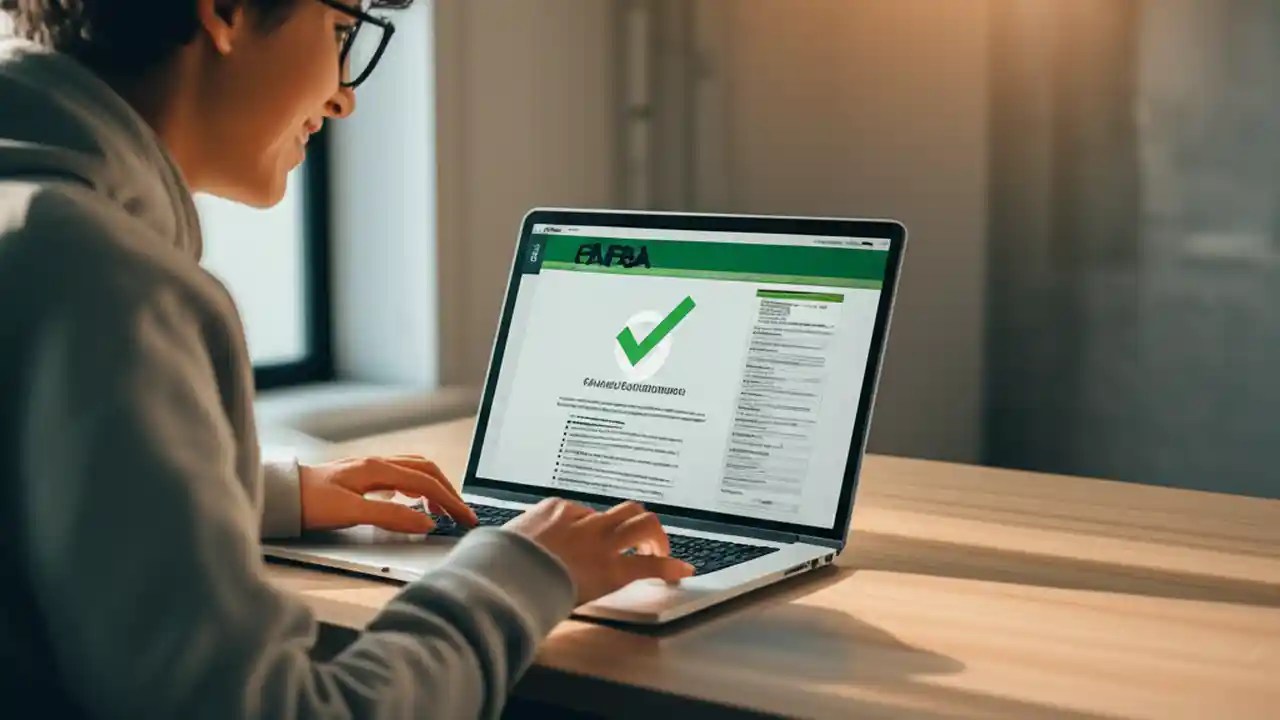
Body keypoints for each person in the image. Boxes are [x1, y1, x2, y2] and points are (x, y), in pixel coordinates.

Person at [0, 1, 694, 717]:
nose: (345, 96)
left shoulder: (34, 235)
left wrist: (253, 490)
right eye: (339, 32)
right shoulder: (116, 290)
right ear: (226, 12)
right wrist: (518, 575)